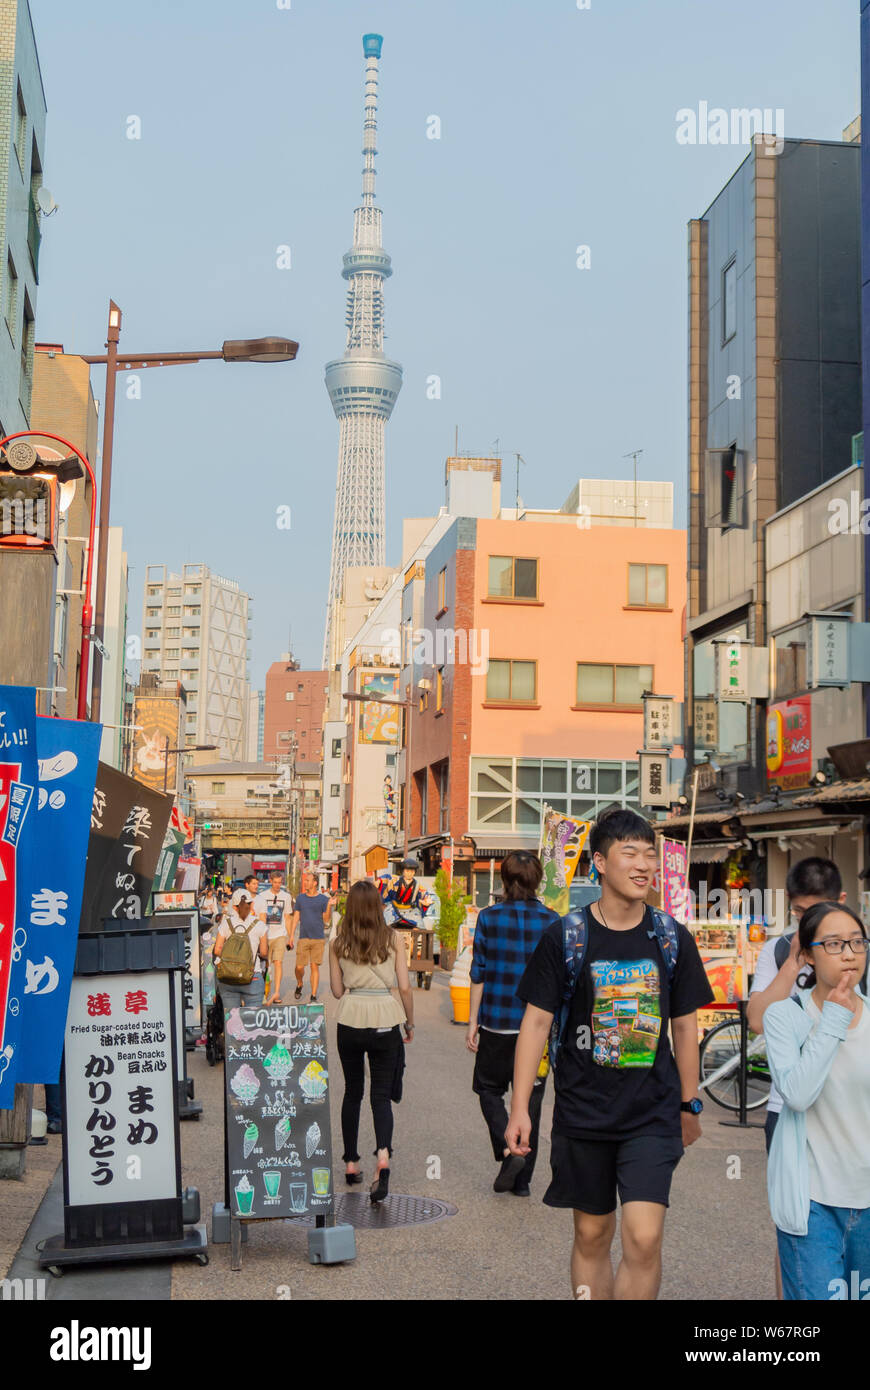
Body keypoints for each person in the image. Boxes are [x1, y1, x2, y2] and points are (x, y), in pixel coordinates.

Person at [507, 807, 714, 1300]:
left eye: (649, 854)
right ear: (599, 862)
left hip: (652, 1112)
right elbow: (535, 1023)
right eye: (630, 853)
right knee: (593, 1234)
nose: (643, 864)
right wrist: (520, 1107)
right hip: (584, 1111)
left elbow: (685, 1028)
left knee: (643, 1236)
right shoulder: (567, 936)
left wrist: (690, 1103)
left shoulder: (669, 938)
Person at [746, 857, 850, 1298]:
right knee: (795, 1225)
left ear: (842, 902)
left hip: (850, 1106)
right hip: (787, 1107)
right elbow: (755, 1019)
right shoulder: (778, 949)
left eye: (820, 910)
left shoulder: (858, 949)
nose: (811, 922)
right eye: (800, 914)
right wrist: (793, 962)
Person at [763, 901, 870, 1300]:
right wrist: (835, 1021)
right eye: (835, 943)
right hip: (813, 1203)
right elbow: (798, 1094)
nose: (849, 953)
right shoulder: (784, 1017)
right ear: (806, 954)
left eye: (858, 942)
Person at [466, 851, 560, 1196]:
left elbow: (479, 973)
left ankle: (508, 1150)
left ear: (504, 880)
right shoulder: (553, 920)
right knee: (532, 1099)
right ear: (536, 882)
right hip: (539, 1031)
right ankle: (522, 1183)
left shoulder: (488, 917)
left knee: (488, 1089)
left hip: (497, 1023)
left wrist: (472, 1022)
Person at [329, 879, 414, 1203]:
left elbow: (337, 992)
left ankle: (351, 1162)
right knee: (380, 1096)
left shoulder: (338, 943)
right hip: (384, 1018)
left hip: (350, 1018)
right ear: (379, 906)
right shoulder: (393, 939)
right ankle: (382, 1158)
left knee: (352, 1092)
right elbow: (405, 987)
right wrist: (410, 1023)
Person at [213, 889, 268, 1015]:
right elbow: (264, 952)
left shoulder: (226, 924)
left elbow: (217, 950)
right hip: (252, 977)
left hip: (228, 978)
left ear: (234, 907)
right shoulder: (259, 925)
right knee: (252, 1019)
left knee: (231, 1018)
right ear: (252, 904)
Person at [290, 873, 334, 1003]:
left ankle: (313, 996)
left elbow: (326, 920)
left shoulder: (323, 899)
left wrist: (329, 906)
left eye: (308, 880)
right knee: (299, 967)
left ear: (315, 883)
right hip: (303, 937)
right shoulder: (300, 898)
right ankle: (299, 983)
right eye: (305, 880)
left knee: (314, 966)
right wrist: (291, 935)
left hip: (318, 938)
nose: (305, 882)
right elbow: (296, 916)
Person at [255, 871, 294, 1006]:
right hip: (265, 934)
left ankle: (276, 992)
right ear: (270, 881)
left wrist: (290, 936)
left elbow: (288, 917)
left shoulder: (286, 897)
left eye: (280, 882)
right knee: (265, 965)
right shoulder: (262, 896)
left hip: (280, 935)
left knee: (278, 963)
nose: (278, 885)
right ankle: (264, 993)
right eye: (275, 882)